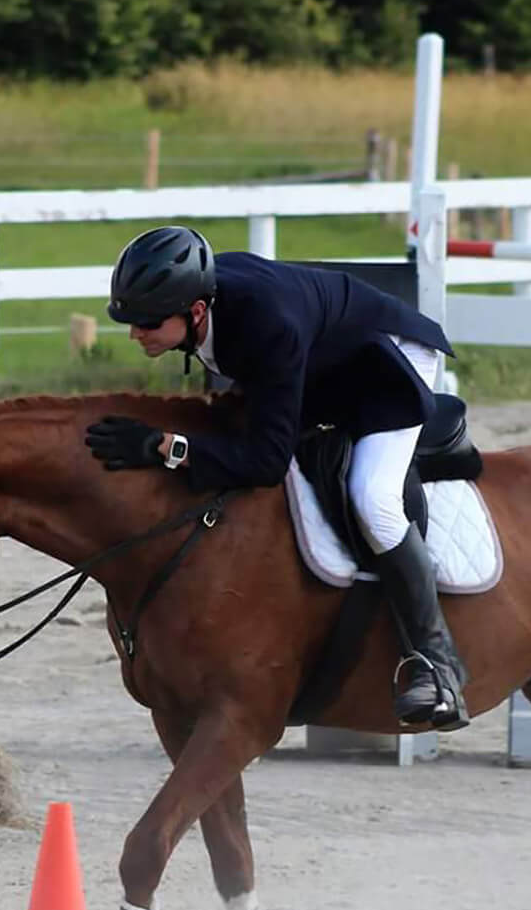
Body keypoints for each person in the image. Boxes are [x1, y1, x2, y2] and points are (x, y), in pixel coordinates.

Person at [84, 225, 469, 731]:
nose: (136, 333)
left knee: (371, 498)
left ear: (196, 312)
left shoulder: (266, 324)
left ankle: (437, 661)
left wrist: (165, 447)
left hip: (392, 364)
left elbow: (265, 462)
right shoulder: (211, 302)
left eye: (147, 323)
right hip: (328, 359)